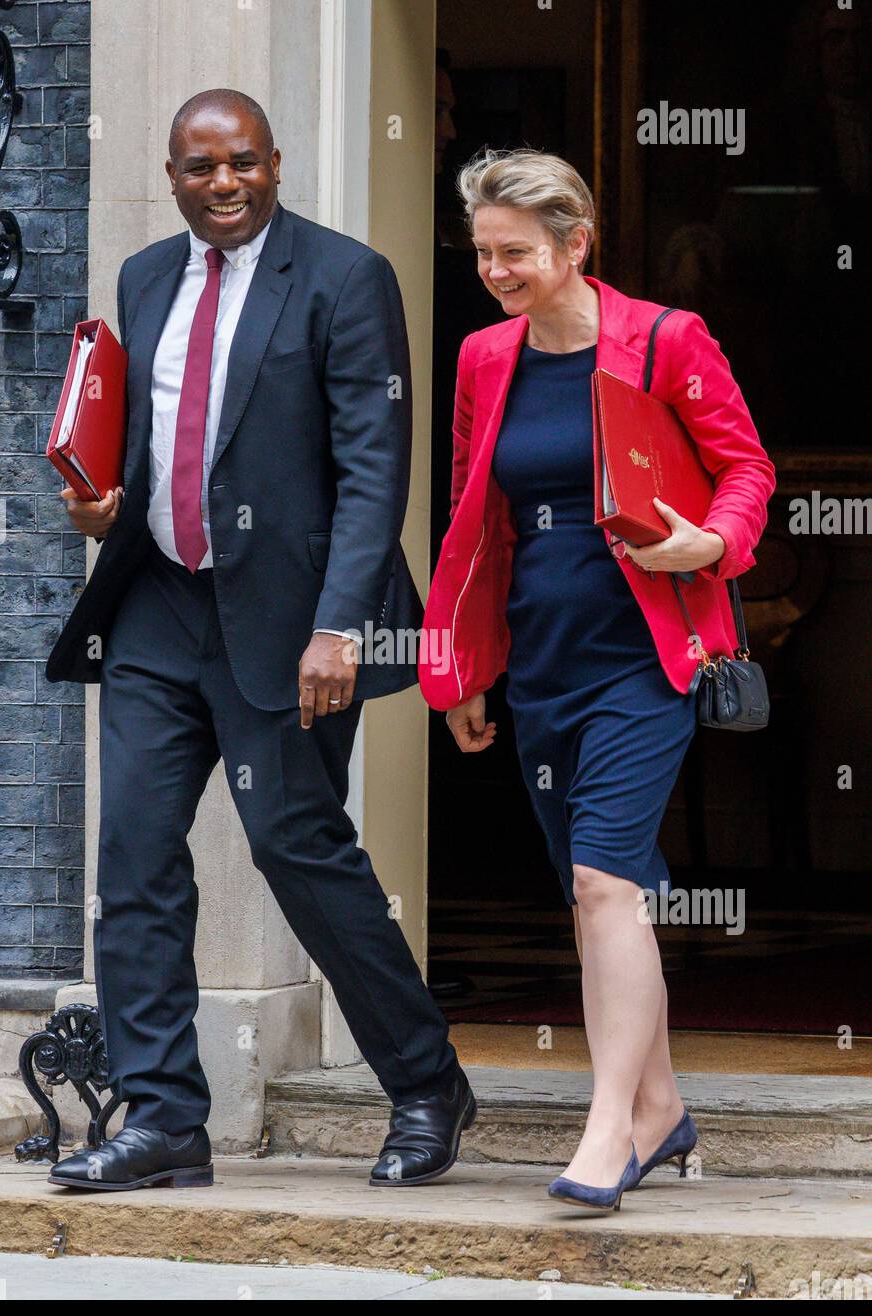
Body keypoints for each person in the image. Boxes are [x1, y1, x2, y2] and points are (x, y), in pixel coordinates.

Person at [45, 89, 475, 1193]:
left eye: (242, 161)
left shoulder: (344, 277)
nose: (223, 183)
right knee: (133, 856)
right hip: (157, 606)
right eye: (200, 167)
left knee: (297, 846)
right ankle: (163, 1119)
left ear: (274, 164)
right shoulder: (146, 277)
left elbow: (375, 468)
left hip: (291, 620)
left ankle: (426, 1085)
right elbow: (153, 441)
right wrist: (103, 503)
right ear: (173, 176)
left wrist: (340, 624)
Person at [420, 149, 775, 1211]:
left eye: (514, 252)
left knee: (605, 884)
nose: (494, 271)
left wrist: (710, 543)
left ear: (575, 244)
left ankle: (608, 1129)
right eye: (482, 253)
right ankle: (659, 1109)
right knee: (591, 895)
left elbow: (746, 467)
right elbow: (473, 516)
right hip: (542, 657)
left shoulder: (665, 339)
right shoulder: (484, 355)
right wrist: (462, 664)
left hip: (644, 655)